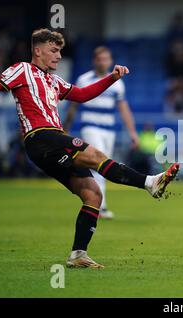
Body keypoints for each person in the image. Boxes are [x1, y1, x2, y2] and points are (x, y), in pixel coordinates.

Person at [0, 28, 179, 269]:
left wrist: (111, 78)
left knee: (93, 194)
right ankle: (149, 183)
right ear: (37, 50)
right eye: (53, 51)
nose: (58, 56)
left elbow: (83, 95)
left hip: (50, 143)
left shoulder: (53, 80)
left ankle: (78, 254)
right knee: (95, 155)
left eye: (60, 52)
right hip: (41, 137)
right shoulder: (22, 69)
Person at [63, 46, 139, 219]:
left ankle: (93, 201)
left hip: (109, 130)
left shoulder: (118, 83)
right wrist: (66, 126)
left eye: (106, 59)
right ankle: (101, 207)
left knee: (104, 166)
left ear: (110, 61)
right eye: (100, 59)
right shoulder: (84, 80)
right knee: (98, 164)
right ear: (94, 61)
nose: (103, 62)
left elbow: (124, 108)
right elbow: (74, 105)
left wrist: (132, 132)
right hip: (90, 126)